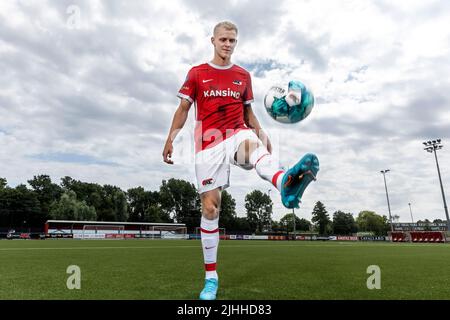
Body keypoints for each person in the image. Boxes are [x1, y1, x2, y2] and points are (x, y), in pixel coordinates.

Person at [162, 21, 319, 300]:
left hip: (236, 133)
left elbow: (248, 114)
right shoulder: (197, 74)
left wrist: (262, 134)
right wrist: (171, 139)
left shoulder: (243, 76)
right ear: (213, 40)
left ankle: (285, 182)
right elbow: (183, 108)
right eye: (223, 39)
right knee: (210, 209)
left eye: (232, 40)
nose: (228, 44)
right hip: (207, 144)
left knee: (252, 148)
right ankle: (211, 278)